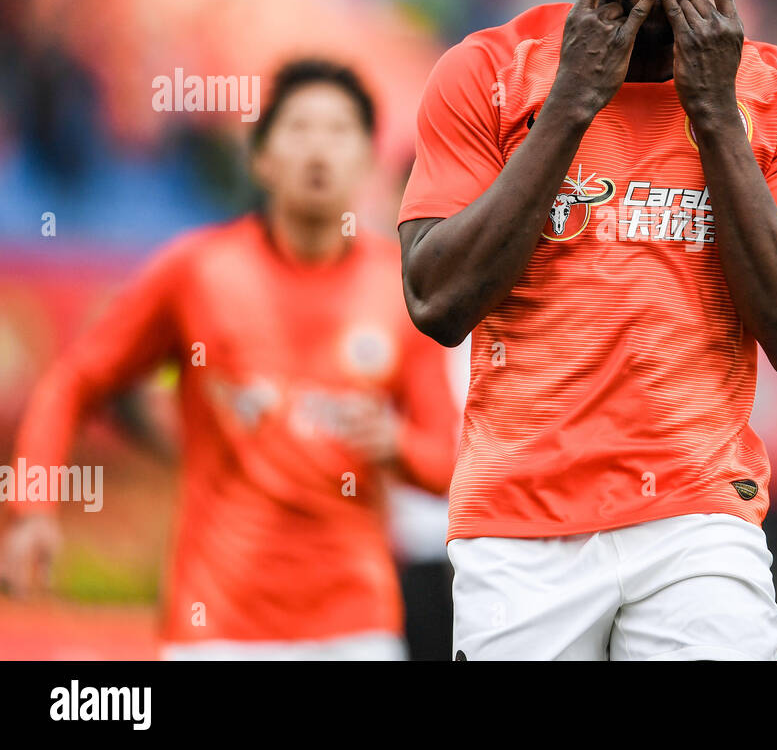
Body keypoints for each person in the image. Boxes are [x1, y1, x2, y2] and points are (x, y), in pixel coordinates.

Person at [398, 0, 777, 660]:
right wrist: (572, 101)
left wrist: (714, 113)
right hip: (519, 520)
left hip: (699, 518)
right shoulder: (484, 73)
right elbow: (437, 300)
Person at [0, 59, 459, 659]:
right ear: (260, 159)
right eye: (298, 130)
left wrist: (396, 443)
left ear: (368, 162)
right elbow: (73, 380)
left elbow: (452, 461)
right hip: (217, 630)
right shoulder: (197, 271)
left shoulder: (399, 292)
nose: (318, 150)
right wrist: (31, 507)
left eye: (339, 131)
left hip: (357, 628)